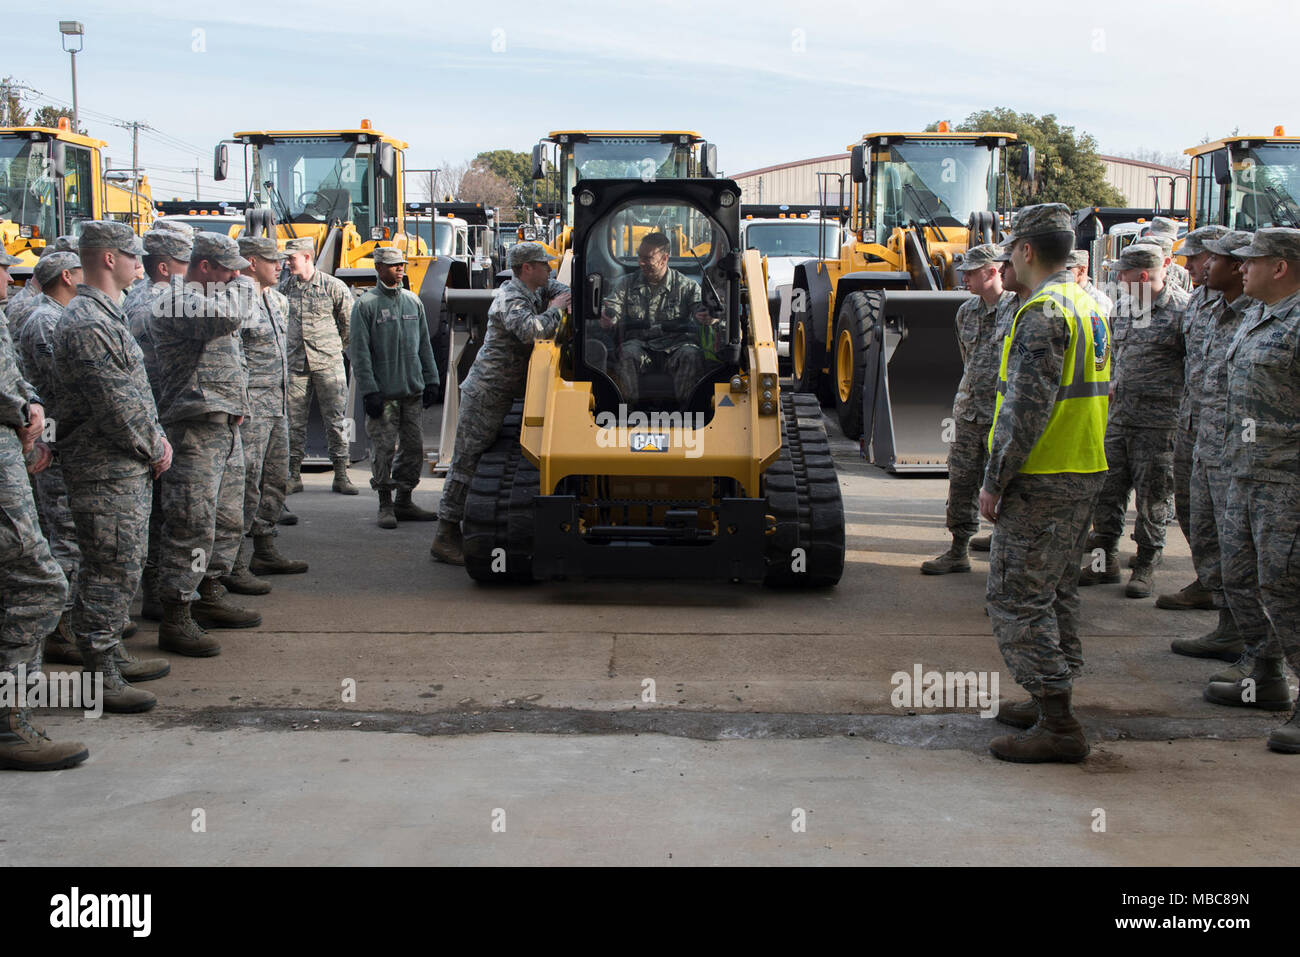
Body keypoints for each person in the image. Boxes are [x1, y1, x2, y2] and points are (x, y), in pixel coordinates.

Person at [978, 204, 1110, 763]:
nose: (1007, 256)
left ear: (1027, 251)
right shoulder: (1085, 302)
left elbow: (1025, 410)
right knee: (1056, 592)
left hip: (1042, 474)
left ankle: (1058, 723)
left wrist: (994, 479)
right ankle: (1050, 697)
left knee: (1014, 597)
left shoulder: (1041, 312)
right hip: (1082, 467)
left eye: (1010, 248)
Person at [49, 222, 173, 713]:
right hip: (104, 468)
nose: (139, 264)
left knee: (121, 564)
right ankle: (99, 672)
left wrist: (152, 441)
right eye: (132, 256)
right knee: (108, 568)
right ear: (107, 259)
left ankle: (111, 653)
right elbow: (115, 405)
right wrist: (155, 446)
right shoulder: (86, 322)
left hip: (123, 464)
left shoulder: (106, 313)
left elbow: (133, 393)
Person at [1202, 228, 1300, 754]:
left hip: (1287, 483)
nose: (1242, 269)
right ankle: (1264, 678)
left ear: (1280, 267)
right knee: (1240, 578)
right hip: (1243, 473)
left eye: (1252, 261)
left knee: (1286, 587)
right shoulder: (1257, 316)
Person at [149, 232, 257, 655]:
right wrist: (247, 284)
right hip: (192, 429)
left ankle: (209, 592)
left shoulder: (214, 297)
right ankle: (176, 614)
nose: (235, 275)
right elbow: (231, 319)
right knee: (190, 525)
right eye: (228, 268)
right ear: (205, 266)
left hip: (223, 428)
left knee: (226, 518)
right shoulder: (175, 299)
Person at [430, 242, 570, 564]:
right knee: (467, 461)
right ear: (526, 269)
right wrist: (558, 308)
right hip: (486, 392)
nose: (550, 269)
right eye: (543, 265)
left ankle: (456, 529)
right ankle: (445, 533)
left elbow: (562, 289)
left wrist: (567, 296)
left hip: (504, 391)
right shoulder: (511, 298)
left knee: (475, 460)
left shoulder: (535, 289)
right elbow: (531, 331)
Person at [0, 265, 89, 770]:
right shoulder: (37, 317)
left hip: (14, 443)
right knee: (37, 584)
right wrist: (24, 412)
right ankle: (9, 723)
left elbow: (16, 376)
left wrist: (29, 404)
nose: (7, 278)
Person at [1078, 243, 1188, 598]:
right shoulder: (1125, 307)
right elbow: (1113, 355)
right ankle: (1102, 563)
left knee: (1153, 499)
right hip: (1119, 419)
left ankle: (1144, 565)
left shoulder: (1183, 311)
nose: (1118, 280)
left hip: (1159, 426)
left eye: (1122, 274)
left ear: (1141, 275)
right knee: (1106, 494)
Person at [1172, 230, 1258, 669]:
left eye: (1212, 260)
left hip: (1238, 447)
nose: (1201, 267)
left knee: (1239, 543)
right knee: (1199, 523)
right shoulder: (1204, 303)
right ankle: (1223, 615)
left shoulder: (1260, 313)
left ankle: (1247, 636)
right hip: (1197, 433)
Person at [13, 251, 87, 668]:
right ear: (66, 275)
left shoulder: (60, 313)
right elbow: (58, 387)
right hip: (54, 438)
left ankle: (73, 619)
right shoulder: (45, 319)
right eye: (80, 271)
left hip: (62, 435)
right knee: (64, 534)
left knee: (71, 531)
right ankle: (62, 628)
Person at [922, 244, 1015, 574]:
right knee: (961, 482)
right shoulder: (966, 313)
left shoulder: (1017, 311)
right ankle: (958, 549)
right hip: (969, 413)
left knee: (1006, 488)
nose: (964, 277)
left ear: (993, 272)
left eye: (972, 272)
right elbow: (969, 361)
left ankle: (1005, 561)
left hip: (1002, 418)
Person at [223, 235, 308, 592]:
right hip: (251, 407)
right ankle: (234, 562)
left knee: (275, 479)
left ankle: (266, 548)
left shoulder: (277, 301)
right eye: (272, 260)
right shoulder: (233, 304)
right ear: (250, 262)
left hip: (278, 403)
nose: (280, 266)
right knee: (246, 485)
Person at [124, 220, 194, 622]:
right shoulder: (158, 300)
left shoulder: (139, 297)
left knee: (160, 510)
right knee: (165, 511)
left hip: (157, 415)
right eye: (184, 261)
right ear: (165, 267)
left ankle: (155, 591)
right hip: (161, 416)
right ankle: (157, 594)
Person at [1157, 225, 1230, 610]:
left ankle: (1232, 607)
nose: (1190, 265)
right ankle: (1209, 581)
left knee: (1228, 523)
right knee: (1190, 509)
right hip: (1190, 425)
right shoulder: (1197, 301)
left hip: (1227, 433)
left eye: (1199, 257)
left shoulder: (1248, 305)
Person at [349, 247, 440, 529]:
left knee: (413, 448)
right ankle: (385, 504)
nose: (399, 269)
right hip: (384, 394)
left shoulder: (413, 302)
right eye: (392, 266)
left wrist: (432, 379)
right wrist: (369, 391)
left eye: (401, 264)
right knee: (384, 448)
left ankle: (405, 500)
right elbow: (360, 353)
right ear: (379, 269)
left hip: (411, 391)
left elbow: (425, 344)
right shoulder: (366, 305)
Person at [598, 232, 716, 409]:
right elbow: (612, 306)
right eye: (639, 257)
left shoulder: (686, 286)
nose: (640, 263)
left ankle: (687, 413)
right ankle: (629, 413)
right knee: (626, 353)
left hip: (675, 347)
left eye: (647, 258)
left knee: (691, 355)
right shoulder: (626, 284)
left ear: (664, 258)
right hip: (640, 345)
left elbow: (701, 308)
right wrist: (608, 316)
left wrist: (708, 317)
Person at [280, 237, 358, 495]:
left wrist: (332, 348)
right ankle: (293, 475)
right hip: (295, 365)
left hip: (328, 363)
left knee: (335, 421)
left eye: (291, 258)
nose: (287, 262)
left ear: (306, 257)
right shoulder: (284, 290)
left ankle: (341, 475)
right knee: (293, 423)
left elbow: (349, 326)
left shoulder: (333, 287)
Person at [1147, 217, 1193, 292]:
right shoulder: (1132, 269)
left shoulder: (1181, 273)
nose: (1164, 244)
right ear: (1148, 235)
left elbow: (1189, 301)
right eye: (1159, 239)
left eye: (1169, 241)